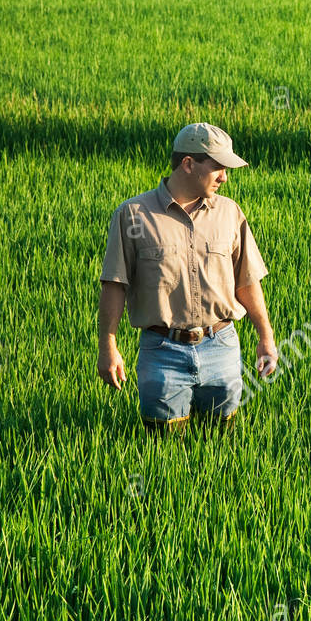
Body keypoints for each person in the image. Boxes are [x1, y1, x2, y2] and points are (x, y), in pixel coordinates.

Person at [97, 123, 278, 432]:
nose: (225, 176)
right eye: (218, 167)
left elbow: (247, 281)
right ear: (188, 164)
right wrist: (107, 347)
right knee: (164, 454)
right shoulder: (133, 215)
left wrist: (266, 336)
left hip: (221, 347)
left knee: (222, 447)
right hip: (162, 353)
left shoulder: (230, 213)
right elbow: (116, 284)